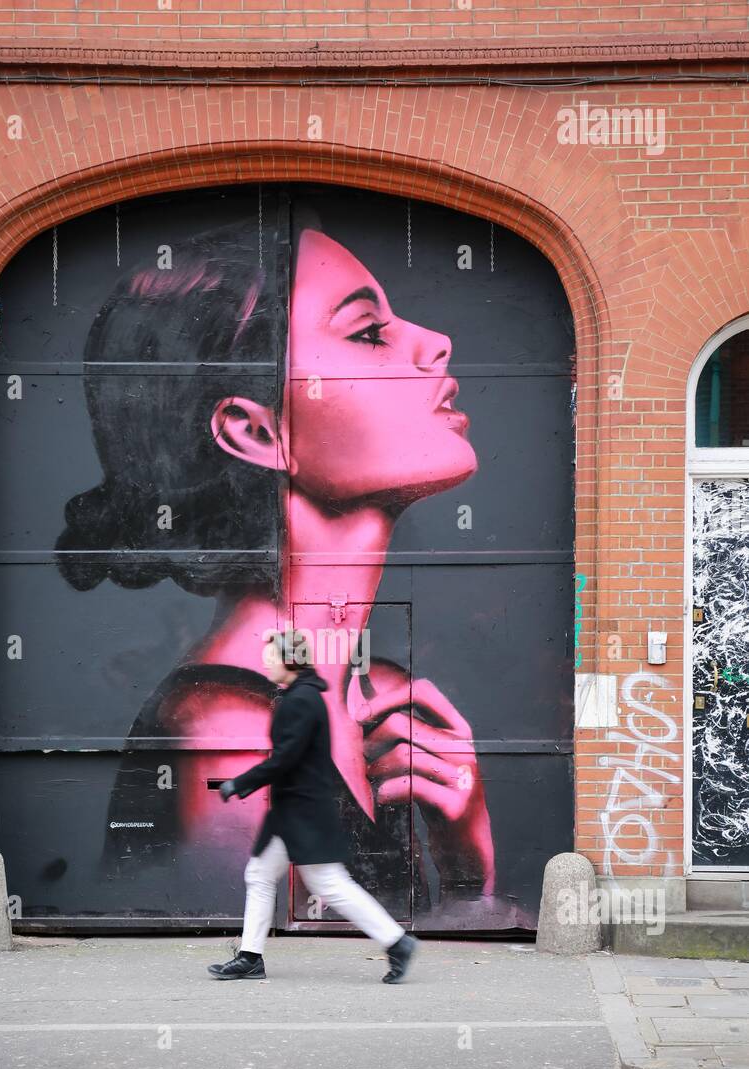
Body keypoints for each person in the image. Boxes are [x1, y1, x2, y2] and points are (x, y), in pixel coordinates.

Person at [59, 212, 495, 918]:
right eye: (368, 331)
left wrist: (469, 861)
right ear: (254, 430)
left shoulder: (378, 696)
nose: (435, 344)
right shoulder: (221, 732)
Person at [209, 629, 416, 983]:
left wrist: (240, 783)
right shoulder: (300, 695)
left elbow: (287, 758)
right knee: (259, 875)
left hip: (304, 811)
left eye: (272, 657)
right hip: (294, 810)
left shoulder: (302, 700)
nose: (267, 662)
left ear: (290, 660)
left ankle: (397, 942)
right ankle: (250, 956)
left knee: (330, 884)